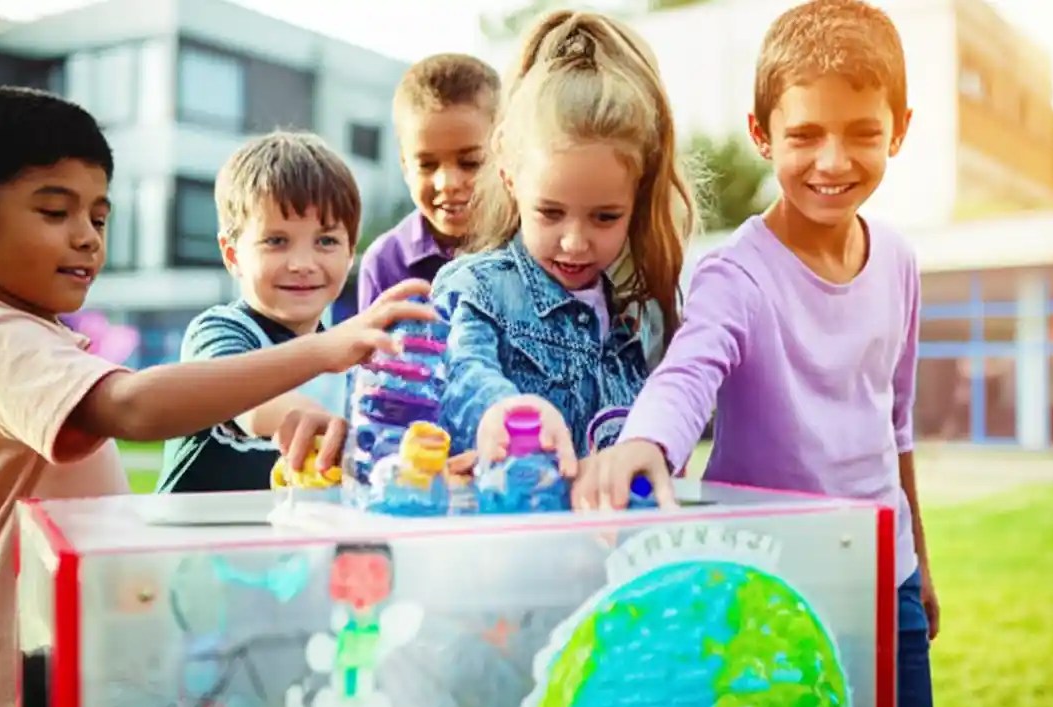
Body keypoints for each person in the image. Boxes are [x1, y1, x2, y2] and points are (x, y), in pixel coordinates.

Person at [0, 86, 435, 707]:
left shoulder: (39, 337)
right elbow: (134, 407)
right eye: (53, 212)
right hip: (17, 683)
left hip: (96, 658)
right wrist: (328, 355)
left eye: (98, 218)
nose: (88, 239)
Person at [577, 1, 937, 707]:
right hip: (769, 579)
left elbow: (895, 427)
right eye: (804, 134)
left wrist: (919, 560)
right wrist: (646, 440)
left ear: (899, 130)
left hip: (885, 577)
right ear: (761, 135)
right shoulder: (734, 274)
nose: (833, 161)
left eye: (862, 133)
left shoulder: (899, 261)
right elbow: (688, 371)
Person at [431, 10, 697, 471]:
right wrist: (507, 413)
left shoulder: (638, 318)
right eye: (550, 212)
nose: (574, 242)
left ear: (638, 197)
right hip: (503, 535)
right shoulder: (477, 290)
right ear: (509, 176)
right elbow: (460, 370)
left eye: (605, 217)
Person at [157, 131, 367, 493]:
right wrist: (305, 418)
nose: (303, 264)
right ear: (232, 254)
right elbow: (242, 399)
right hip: (198, 544)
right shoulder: (219, 332)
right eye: (276, 241)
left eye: (326, 241)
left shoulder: (349, 364)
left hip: (283, 543)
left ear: (350, 253)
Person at [356, 53, 501, 309]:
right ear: (405, 166)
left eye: (471, 163)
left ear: (504, 151)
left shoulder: (534, 245)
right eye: (427, 165)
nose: (447, 182)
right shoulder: (385, 263)